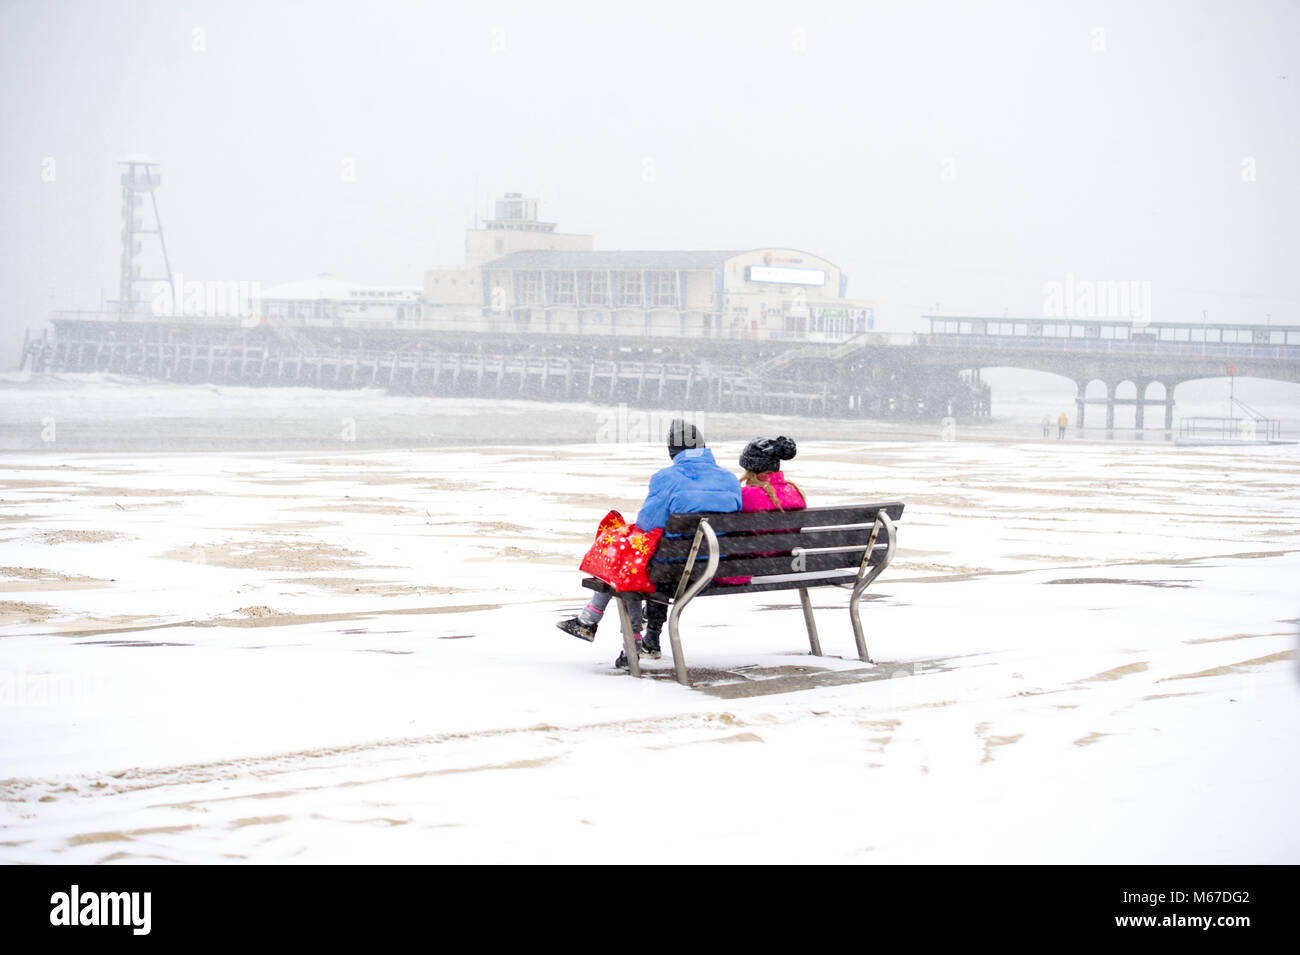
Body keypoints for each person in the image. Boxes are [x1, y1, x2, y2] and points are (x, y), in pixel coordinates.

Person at [557, 418, 741, 668]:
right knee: (653, 561)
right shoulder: (729, 479)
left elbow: (646, 525)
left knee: (629, 565)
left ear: (672, 451)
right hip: (713, 571)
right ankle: (606, 626)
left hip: (672, 575)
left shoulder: (667, 478)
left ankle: (621, 639)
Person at [714, 436, 806, 587]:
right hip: (785, 567)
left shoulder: (744, 495)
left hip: (741, 571)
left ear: (749, 468)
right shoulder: (796, 493)